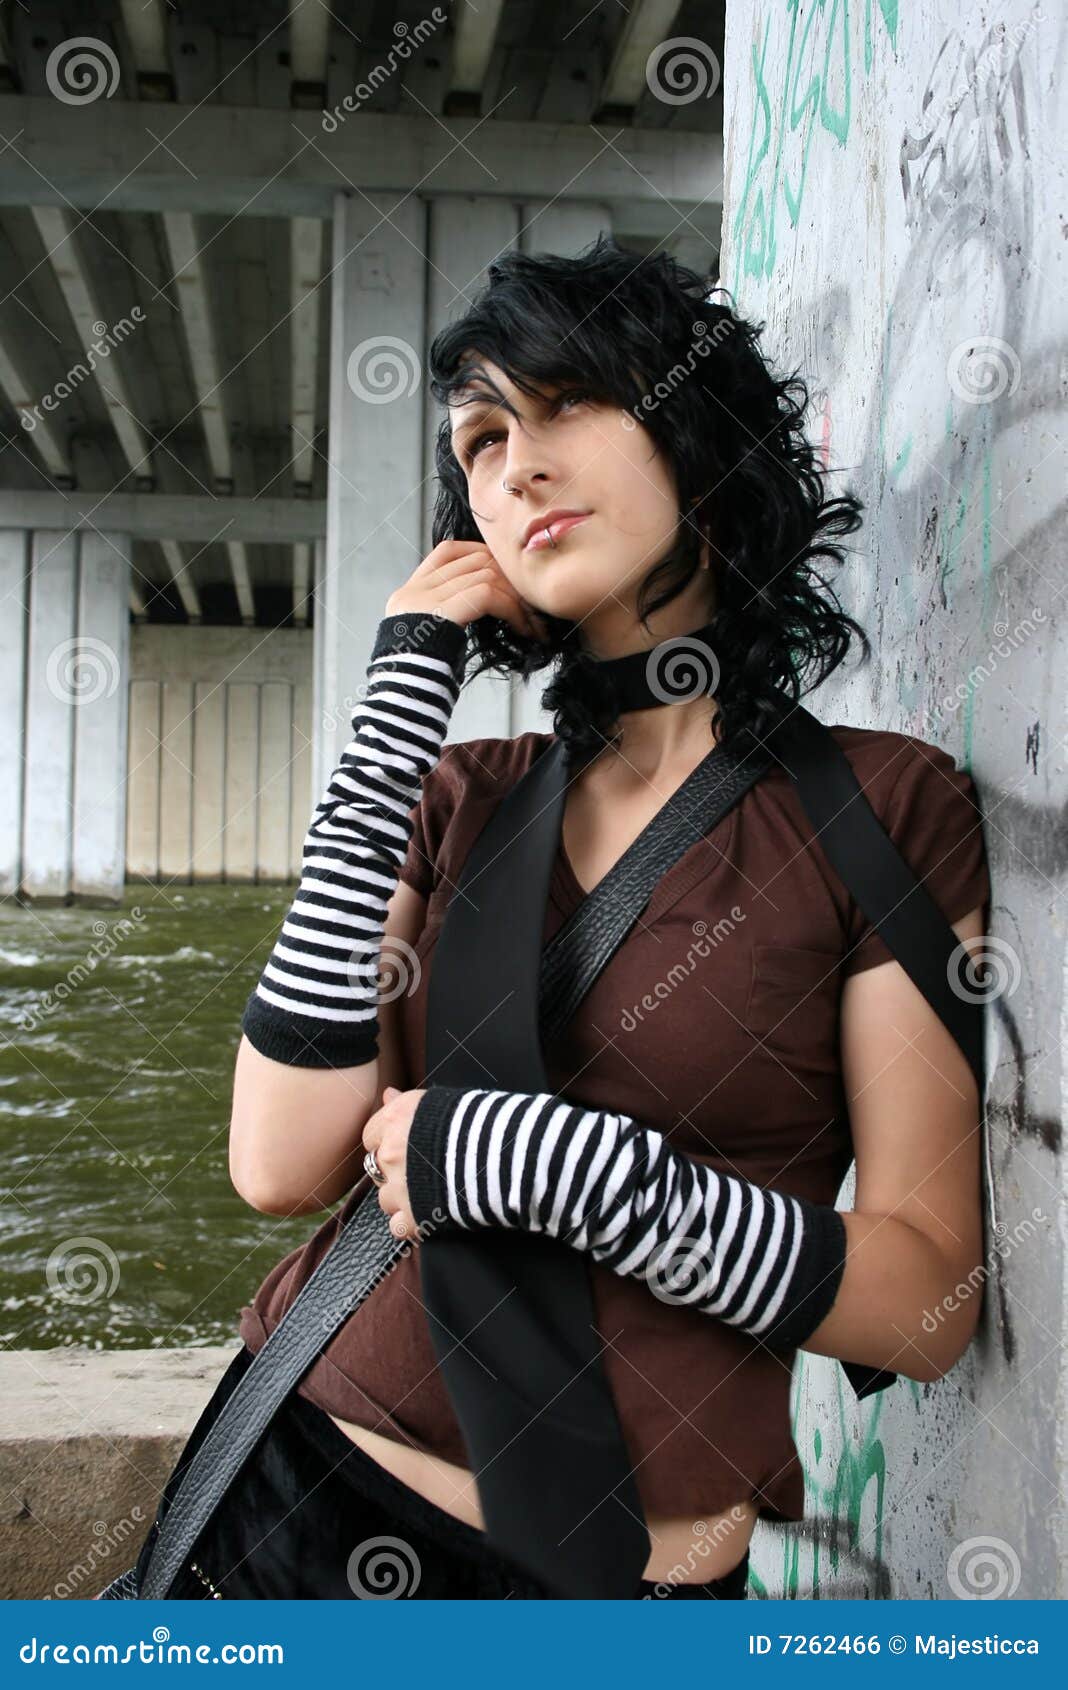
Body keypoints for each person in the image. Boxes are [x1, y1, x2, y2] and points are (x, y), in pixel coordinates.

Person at [125, 237, 990, 1601]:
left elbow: (933, 1301)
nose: (513, 462)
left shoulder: (884, 811)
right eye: (480, 436)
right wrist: (397, 706)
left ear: (699, 439)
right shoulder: (457, 792)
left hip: (617, 1599)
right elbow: (279, 1159)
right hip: (290, 1515)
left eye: (568, 402)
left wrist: (593, 1180)